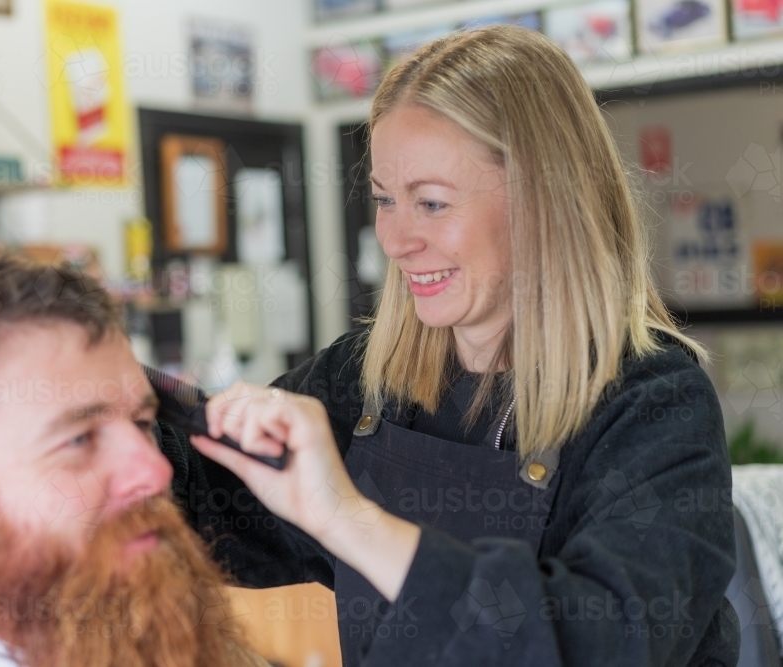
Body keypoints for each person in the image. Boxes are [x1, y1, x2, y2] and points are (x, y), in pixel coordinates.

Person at [160, 25, 739, 666]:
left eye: (431, 203)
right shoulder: (365, 382)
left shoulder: (652, 403)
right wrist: (102, 393)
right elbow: (203, 499)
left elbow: (603, 641)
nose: (396, 238)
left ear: (545, 203)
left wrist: (348, 519)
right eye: (385, 200)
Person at [0, 258, 265, 667]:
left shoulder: (131, 618)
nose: (157, 471)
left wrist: (332, 516)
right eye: (79, 439)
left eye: (141, 423)